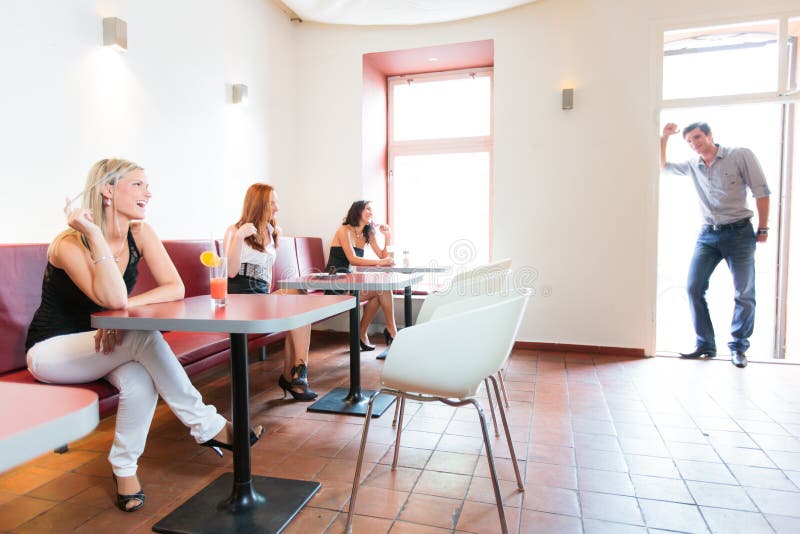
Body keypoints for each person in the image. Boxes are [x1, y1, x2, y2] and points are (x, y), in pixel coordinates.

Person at [25, 159, 262, 513]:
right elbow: (114, 298)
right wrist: (92, 235)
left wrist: (117, 318)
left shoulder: (140, 233)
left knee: (141, 380)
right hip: (53, 351)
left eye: (146, 186)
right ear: (107, 190)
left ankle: (124, 469)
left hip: (105, 345)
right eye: (137, 185)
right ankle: (207, 425)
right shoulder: (69, 244)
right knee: (144, 335)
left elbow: (174, 287)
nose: (148, 193)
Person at [660, 122, 770, 368]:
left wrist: (763, 228)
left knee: (744, 292)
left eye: (697, 137)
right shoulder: (693, 164)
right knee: (693, 287)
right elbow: (664, 168)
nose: (694, 143)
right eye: (689, 141)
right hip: (708, 235)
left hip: (739, 232)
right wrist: (664, 138)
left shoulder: (739, 155)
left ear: (710, 135)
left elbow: (761, 191)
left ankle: (739, 347)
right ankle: (706, 344)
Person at [224, 183, 317, 401]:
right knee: (296, 297)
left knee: (299, 303)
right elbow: (230, 272)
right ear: (258, 204)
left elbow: (267, 275)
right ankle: (295, 376)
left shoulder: (272, 231)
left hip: (262, 296)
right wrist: (238, 238)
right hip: (241, 300)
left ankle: (295, 373)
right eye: (272, 203)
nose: (277, 208)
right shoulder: (235, 230)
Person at [326, 200, 397, 357]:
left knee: (379, 293)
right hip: (336, 284)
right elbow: (352, 259)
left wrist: (388, 237)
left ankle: (368, 333)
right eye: (368, 209)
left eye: (372, 210)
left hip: (352, 283)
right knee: (381, 289)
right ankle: (391, 332)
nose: (372, 212)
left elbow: (383, 256)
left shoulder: (368, 233)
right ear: (357, 211)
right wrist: (381, 262)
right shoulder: (343, 231)